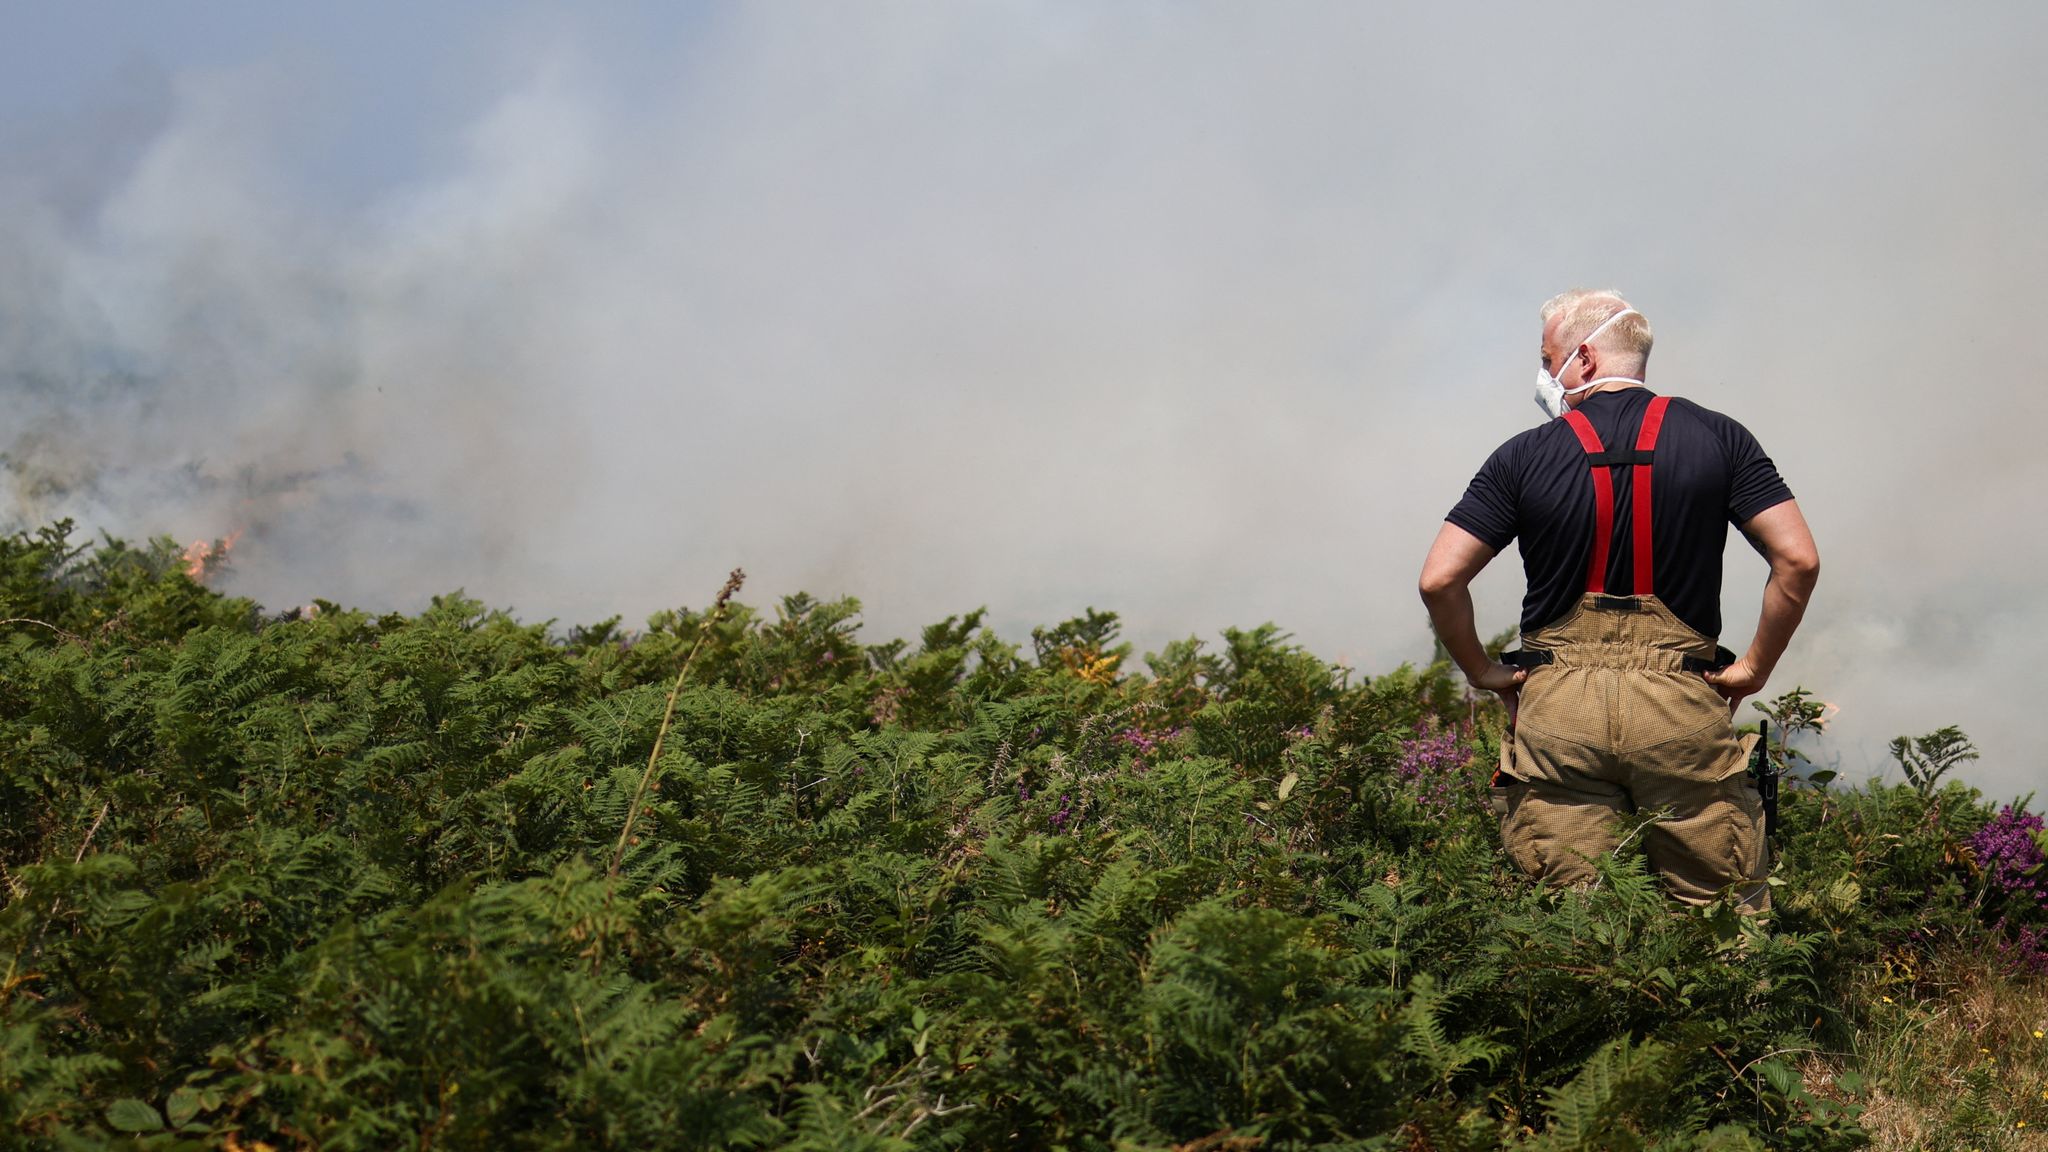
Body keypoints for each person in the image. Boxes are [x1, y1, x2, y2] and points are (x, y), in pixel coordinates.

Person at [1417, 289, 1819, 911]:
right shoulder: (1723, 439)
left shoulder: (1520, 457)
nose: (1545, 375)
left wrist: (1485, 673)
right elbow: (1798, 559)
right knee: (1721, 921)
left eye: (1548, 358)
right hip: (1682, 702)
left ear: (1584, 357)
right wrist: (1752, 670)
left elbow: (1440, 579)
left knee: (1571, 923)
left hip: (1557, 710)